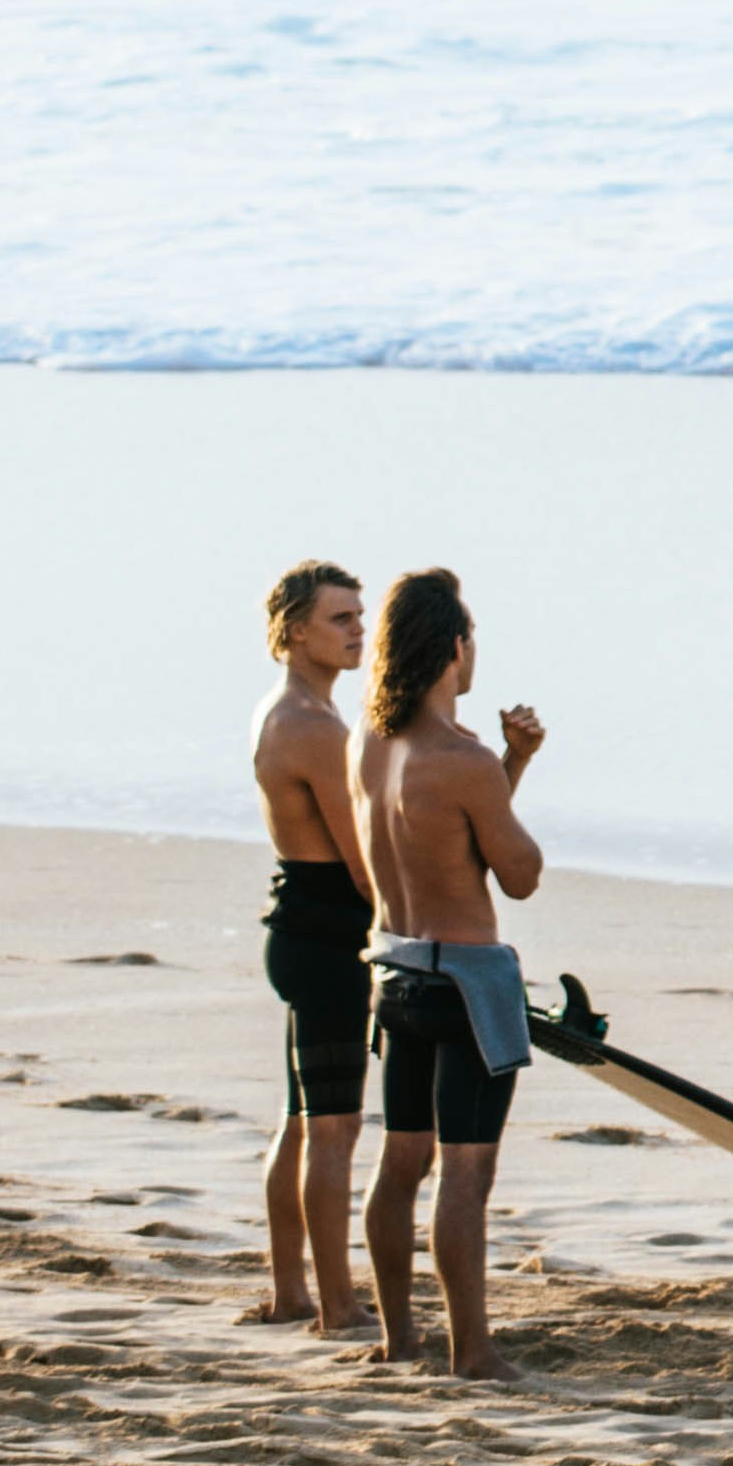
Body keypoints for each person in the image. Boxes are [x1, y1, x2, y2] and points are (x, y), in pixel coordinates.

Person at [351, 565, 547, 1380]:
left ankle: (401, 1339)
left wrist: (512, 761)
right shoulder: (460, 759)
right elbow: (520, 872)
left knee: (402, 1161)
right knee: (467, 1170)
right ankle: (474, 1352)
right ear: (454, 648)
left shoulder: (370, 746)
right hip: (467, 984)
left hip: (396, 973)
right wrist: (505, 770)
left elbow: (432, 844)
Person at [241, 558, 374, 1337]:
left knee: (301, 1120)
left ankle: (293, 1293)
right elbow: (361, 862)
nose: (359, 632)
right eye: (342, 620)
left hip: (298, 925)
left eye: (360, 618)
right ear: (297, 630)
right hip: (326, 938)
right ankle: (337, 1305)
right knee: (334, 1126)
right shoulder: (314, 727)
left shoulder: (283, 709)